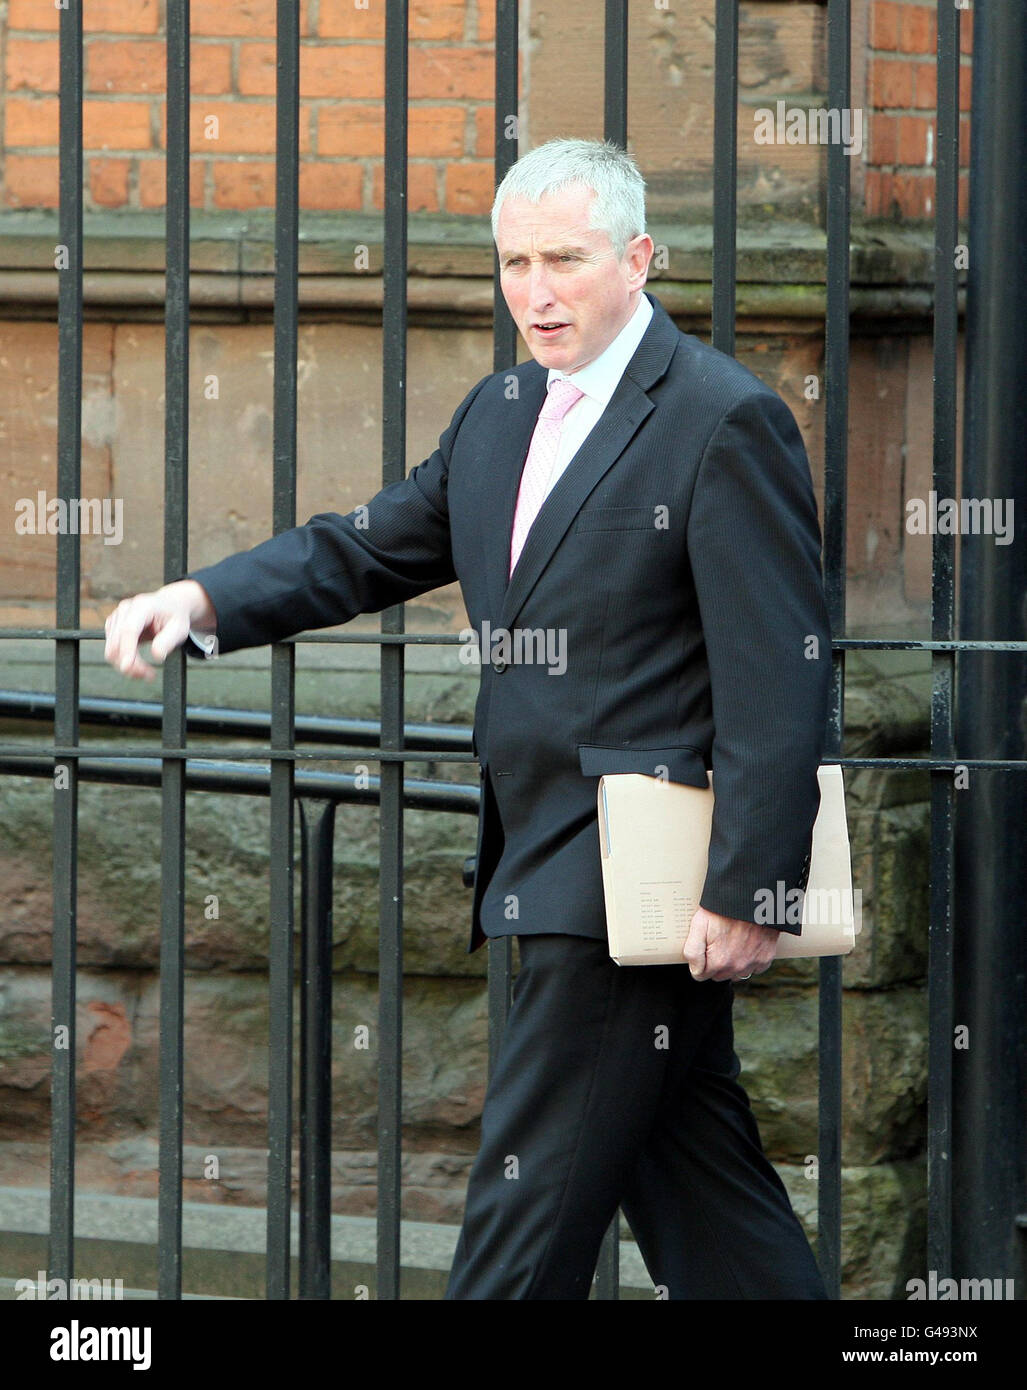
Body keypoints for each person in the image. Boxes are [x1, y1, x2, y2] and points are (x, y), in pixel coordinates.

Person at [105, 137, 832, 1300]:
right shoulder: (499, 413)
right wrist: (200, 602)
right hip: (541, 852)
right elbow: (362, 547)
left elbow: (779, 674)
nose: (534, 292)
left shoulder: (720, 419)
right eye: (512, 264)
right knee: (712, 1205)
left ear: (639, 258)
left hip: (622, 882)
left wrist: (751, 886)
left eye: (565, 259)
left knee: (520, 1210)